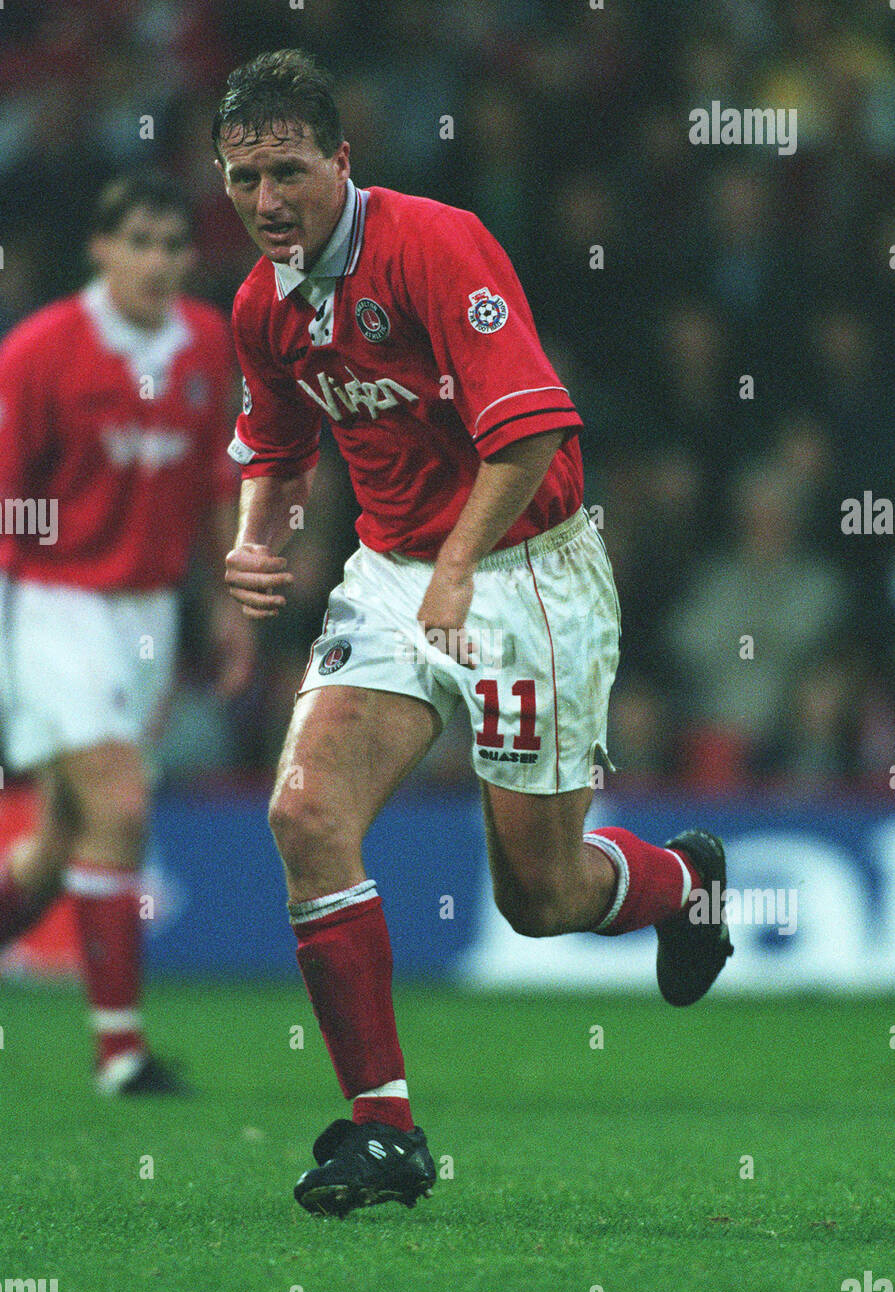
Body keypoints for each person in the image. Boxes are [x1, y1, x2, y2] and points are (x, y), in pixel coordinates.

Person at [217, 50, 732, 1216]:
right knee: (304, 811)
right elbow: (277, 445)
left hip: (524, 579)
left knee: (537, 899)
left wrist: (458, 573)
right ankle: (383, 1131)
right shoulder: (264, 304)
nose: (266, 201)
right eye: (244, 176)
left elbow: (535, 432)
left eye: (289, 170)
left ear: (342, 163)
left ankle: (683, 880)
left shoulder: (437, 246)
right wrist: (257, 538)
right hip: (392, 579)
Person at [0, 172, 254, 1094]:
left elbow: (217, 480)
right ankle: (122, 1055)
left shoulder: (205, 343)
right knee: (120, 806)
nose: (155, 260)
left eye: (171, 244)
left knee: (57, 844)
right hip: (54, 603)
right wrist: (54, 540)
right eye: (137, 241)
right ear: (99, 249)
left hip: (148, 613)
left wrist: (223, 601)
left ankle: (119, 1045)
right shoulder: (40, 352)